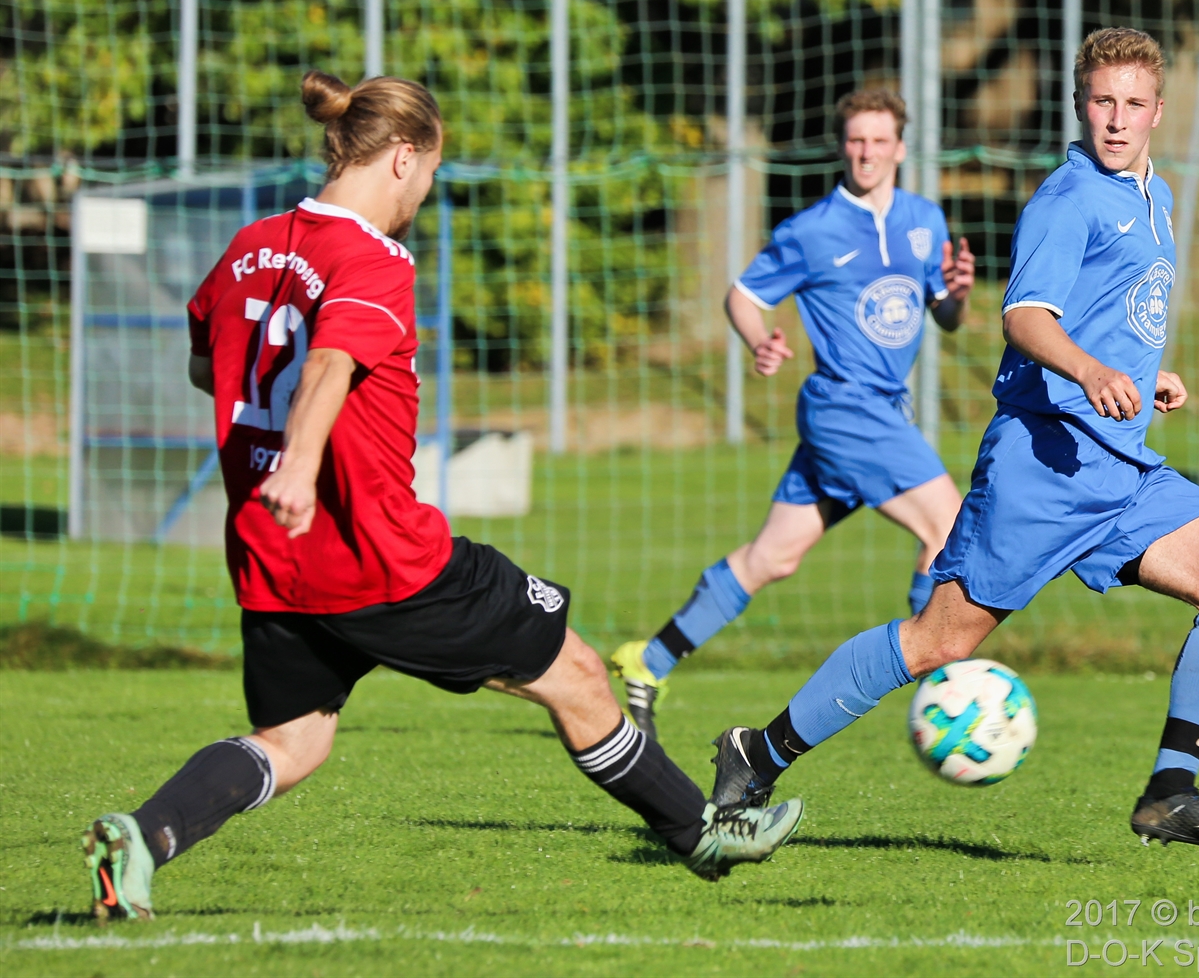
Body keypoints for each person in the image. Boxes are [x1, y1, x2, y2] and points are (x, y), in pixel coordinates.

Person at [80, 70, 803, 923]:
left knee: (294, 740)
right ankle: (706, 831)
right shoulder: (372, 260)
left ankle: (145, 835)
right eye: (429, 172)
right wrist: (304, 462)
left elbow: (209, 366)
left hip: (274, 558)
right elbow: (325, 365)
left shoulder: (251, 244)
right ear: (401, 156)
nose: (424, 191)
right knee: (574, 669)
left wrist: (277, 448)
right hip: (381, 552)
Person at [705, 28, 1199, 853]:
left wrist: (1145, 372)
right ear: (1080, 106)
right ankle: (756, 754)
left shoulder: (1158, 196)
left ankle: (1170, 793)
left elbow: (1112, 313)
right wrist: (1087, 372)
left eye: (1132, 104)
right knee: (939, 640)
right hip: (1041, 467)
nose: (1115, 121)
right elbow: (1025, 316)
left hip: (1119, 463)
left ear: (1159, 110)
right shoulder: (1069, 197)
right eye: (1100, 103)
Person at [609, 88, 976, 739]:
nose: (867, 152)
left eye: (879, 141)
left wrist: (957, 296)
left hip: (881, 413)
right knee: (948, 528)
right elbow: (742, 296)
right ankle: (938, 681)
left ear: (900, 147)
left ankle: (648, 660)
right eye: (856, 140)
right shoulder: (811, 230)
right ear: (843, 146)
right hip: (846, 412)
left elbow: (943, 316)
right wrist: (760, 340)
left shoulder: (925, 220)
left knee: (772, 557)